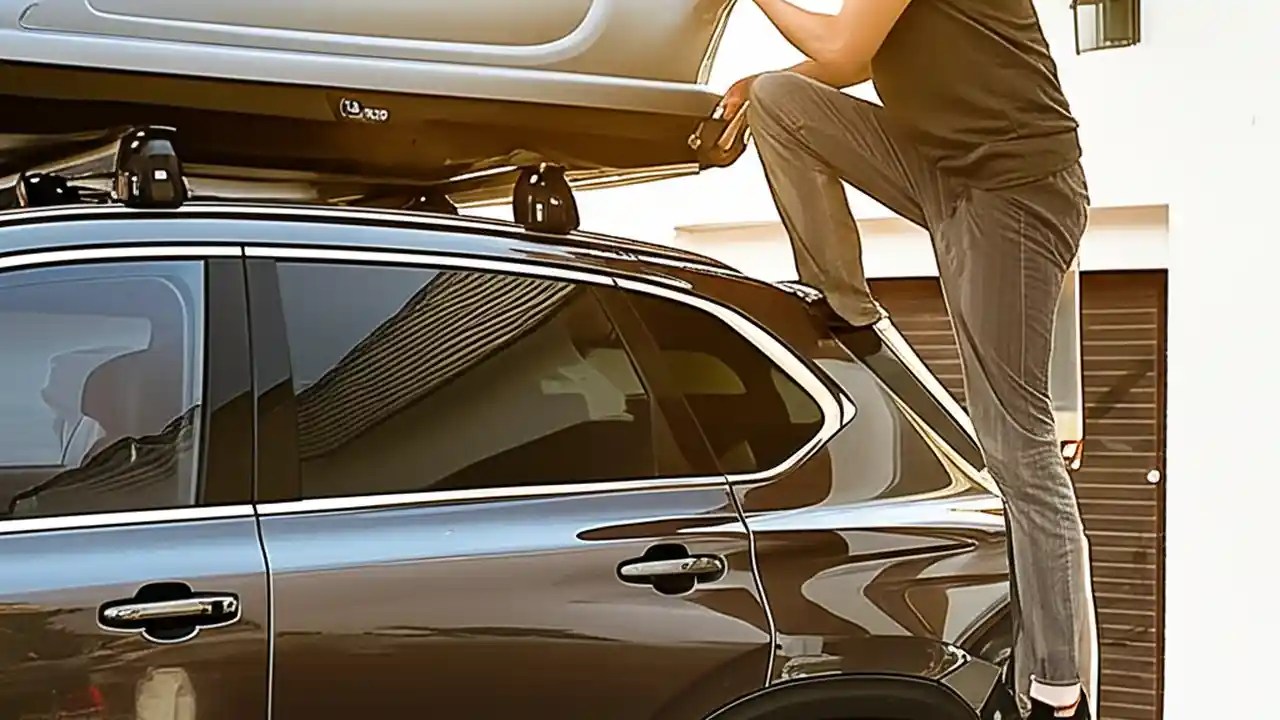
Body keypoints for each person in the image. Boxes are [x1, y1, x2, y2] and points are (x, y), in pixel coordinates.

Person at [714, 1, 1098, 718]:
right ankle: (840, 299)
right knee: (780, 100)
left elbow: (839, 39)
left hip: (1012, 193)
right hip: (941, 164)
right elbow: (851, 59)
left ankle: (1057, 688)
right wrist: (763, 78)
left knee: (1018, 446)